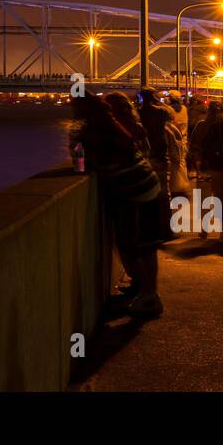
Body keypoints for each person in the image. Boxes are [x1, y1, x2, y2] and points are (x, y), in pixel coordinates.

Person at [70, 95, 165, 317]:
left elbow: (80, 166)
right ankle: (149, 293)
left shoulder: (90, 133)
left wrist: (74, 141)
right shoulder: (113, 124)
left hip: (131, 190)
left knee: (128, 244)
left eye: (73, 106)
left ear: (83, 110)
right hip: (149, 185)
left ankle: (147, 295)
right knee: (148, 245)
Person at [196, 101, 223, 239]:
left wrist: (198, 163)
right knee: (222, 196)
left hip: (207, 166)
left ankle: (205, 228)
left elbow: (195, 145)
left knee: (205, 198)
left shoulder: (201, 125)